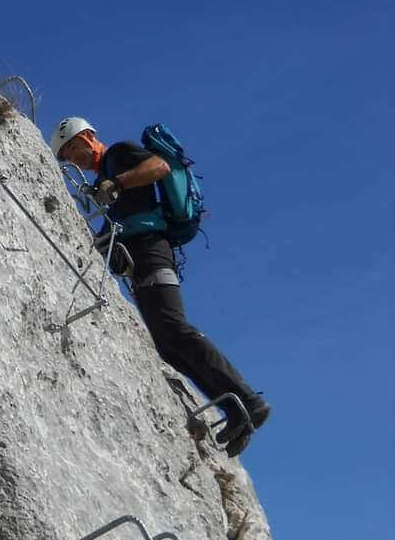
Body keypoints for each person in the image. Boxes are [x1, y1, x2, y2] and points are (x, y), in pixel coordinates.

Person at [49, 116, 271, 457]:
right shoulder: (103, 177)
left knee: (174, 328)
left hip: (152, 250)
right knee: (166, 344)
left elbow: (159, 167)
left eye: (73, 148)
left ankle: (249, 401)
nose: (72, 158)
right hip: (141, 255)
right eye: (66, 155)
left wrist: (118, 183)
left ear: (89, 136)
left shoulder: (118, 156)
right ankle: (235, 409)